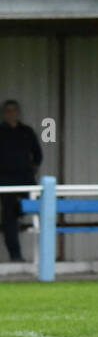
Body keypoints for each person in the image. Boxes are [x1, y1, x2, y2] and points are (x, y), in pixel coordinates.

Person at [0, 99, 42, 262]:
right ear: (4, 114)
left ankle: (45, 255)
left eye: (14, 110)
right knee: (9, 219)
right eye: (8, 111)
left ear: (18, 113)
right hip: (5, 181)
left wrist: (33, 166)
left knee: (39, 206)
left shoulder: (27, 131)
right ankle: (16, 256)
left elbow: (37, 154)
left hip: (26, 179)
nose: (11, 114)